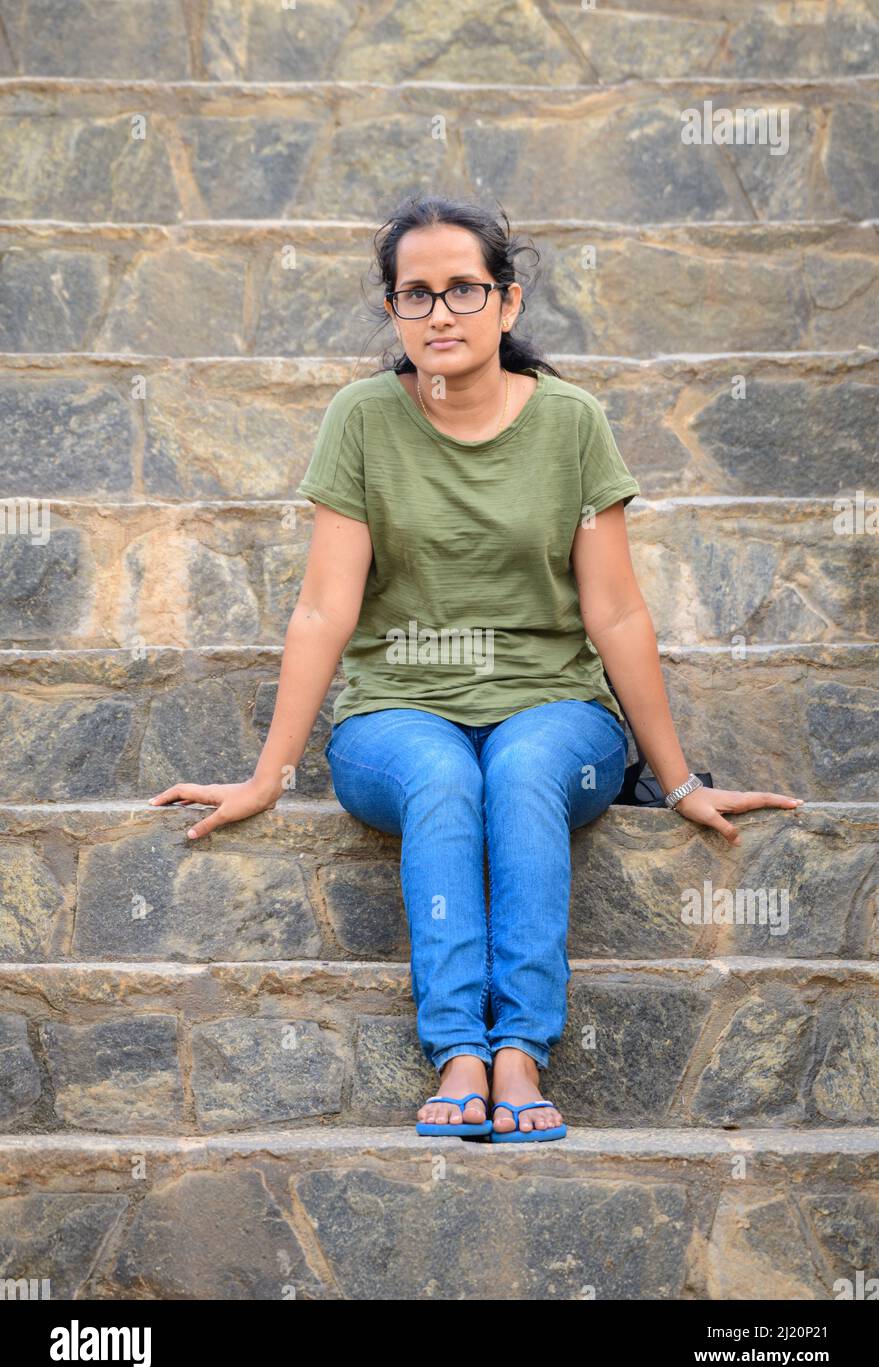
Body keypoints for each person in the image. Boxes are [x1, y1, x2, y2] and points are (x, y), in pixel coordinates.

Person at [148, 195, 804, 1142]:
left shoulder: (571, 424)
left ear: (508, 302)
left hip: (556, 711)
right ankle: (457, 1046)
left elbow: (615, 612)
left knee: (523, 768)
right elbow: (325, 608)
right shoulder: (363, 420)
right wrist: (267, 775)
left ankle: (518, 1054)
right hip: (394, 718)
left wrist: (677, 779)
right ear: (393, 314)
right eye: (415, 295)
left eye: (464, 289)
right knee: (446, 776)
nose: (441, 313)